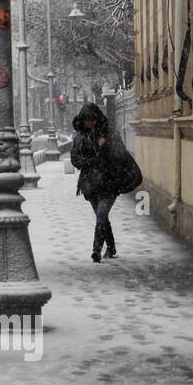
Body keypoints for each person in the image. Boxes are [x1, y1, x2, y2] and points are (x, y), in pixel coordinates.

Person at [69, 101, 141, 263]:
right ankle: (111, 246)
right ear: (82, 120)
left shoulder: (109, 134)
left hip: (109, 183)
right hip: (90, 185)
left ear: (98, 119)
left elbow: (119, 156)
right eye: (87, 119)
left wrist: (104, 147)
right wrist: (93, 159)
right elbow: (75, 160)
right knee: (102, 218)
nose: (90, 122)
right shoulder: (79, 137)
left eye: (93, 119)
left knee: (101, 215)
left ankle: (96, 251)